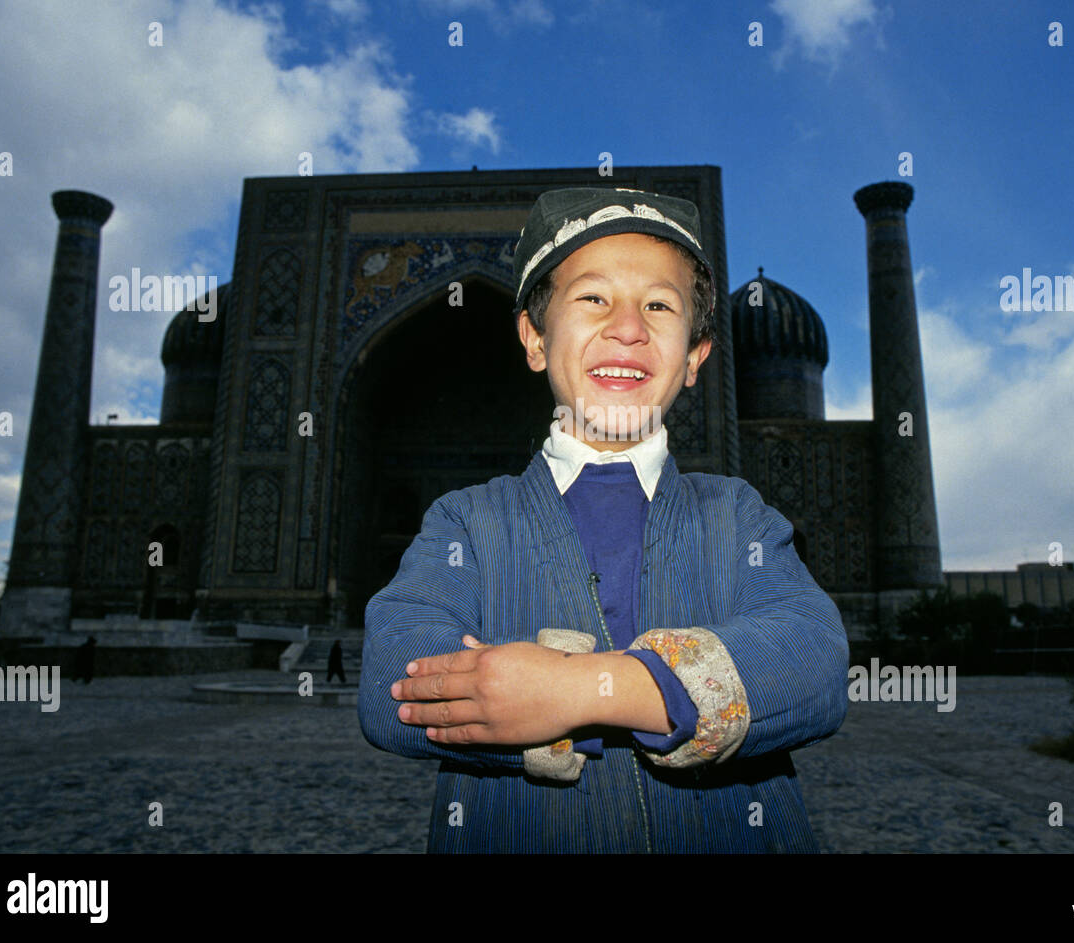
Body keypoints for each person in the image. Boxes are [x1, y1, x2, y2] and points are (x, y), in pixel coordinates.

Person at [358, 186, 850, 852]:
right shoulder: (468, 521)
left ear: (697, 356)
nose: (628, 326)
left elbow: (811, 656)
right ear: (534, 338)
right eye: (593, 298)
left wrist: (582, 691)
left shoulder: (735, 515)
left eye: (659, 304)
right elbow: (392, 675)